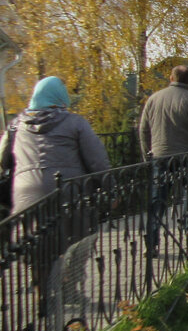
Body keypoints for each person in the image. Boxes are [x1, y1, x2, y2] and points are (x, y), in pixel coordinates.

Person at [2, 77, 110, 303]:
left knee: (36, 244)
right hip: (70, 192)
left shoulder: (16, 124)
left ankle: (43, 294)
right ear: (60, 97)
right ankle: (70, 289)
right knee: (77, 239)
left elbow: (4, 158)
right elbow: (97, 161)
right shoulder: (75, 123)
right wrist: (110, 188)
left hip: (27, 193)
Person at [140, 65, 188, 257]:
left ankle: (152, 241)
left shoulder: (154, 99)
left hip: (160, 156)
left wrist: (147, 153)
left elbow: (143, 130)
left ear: (171, 78)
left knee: (158, 200)